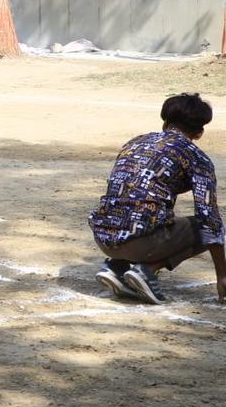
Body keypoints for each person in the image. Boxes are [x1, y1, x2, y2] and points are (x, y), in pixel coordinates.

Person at [89, 93, 226, 305]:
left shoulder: (135, 142)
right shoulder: (197, 158)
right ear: (199, 132)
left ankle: (117, 267)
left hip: (104, 237)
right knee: (206, 225)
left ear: (165, 122)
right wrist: (222, 275)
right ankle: (147, 270)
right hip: (140, 242)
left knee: (138, 208)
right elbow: (209, 218)